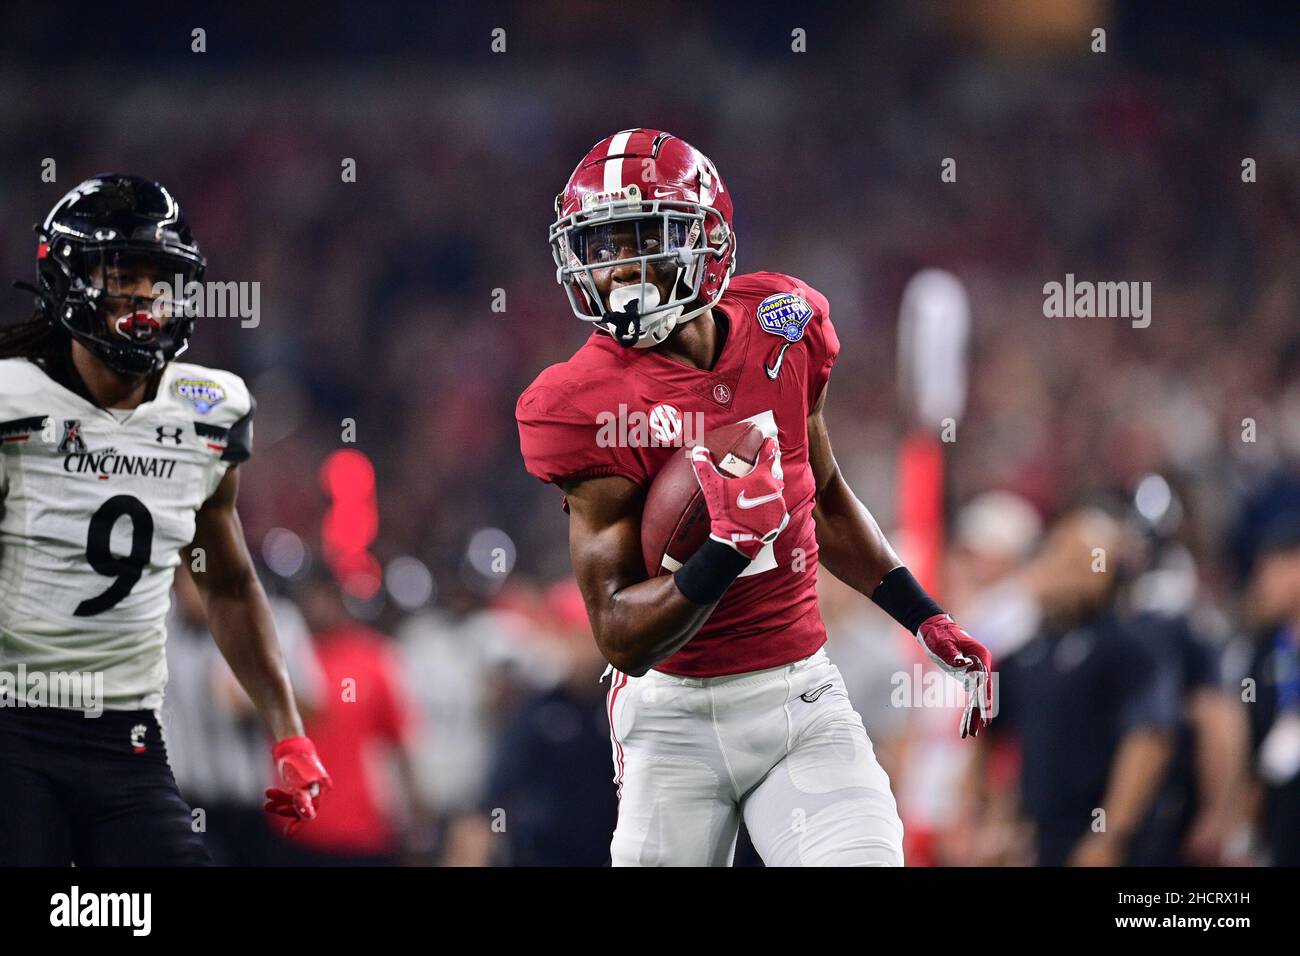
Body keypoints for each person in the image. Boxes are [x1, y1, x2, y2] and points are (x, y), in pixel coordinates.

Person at [516, 130, 992, 867]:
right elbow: (618, 634)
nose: (619, 268)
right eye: (601, 246)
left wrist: (922, 613)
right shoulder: (582, 401)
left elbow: (824, 498)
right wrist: (726, 550)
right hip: (671, 718)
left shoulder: (784, 326)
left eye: (642, 236)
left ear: (707, 239)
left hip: (797, 698)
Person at [0, 175, 330, 865]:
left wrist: (288, 731)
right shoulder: (13, 402)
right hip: (15, 732)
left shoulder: (205, 410)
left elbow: (228, 584)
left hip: (130, 742)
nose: (145, 300)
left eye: (159, 282)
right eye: (124, 278)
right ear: (69, 282)